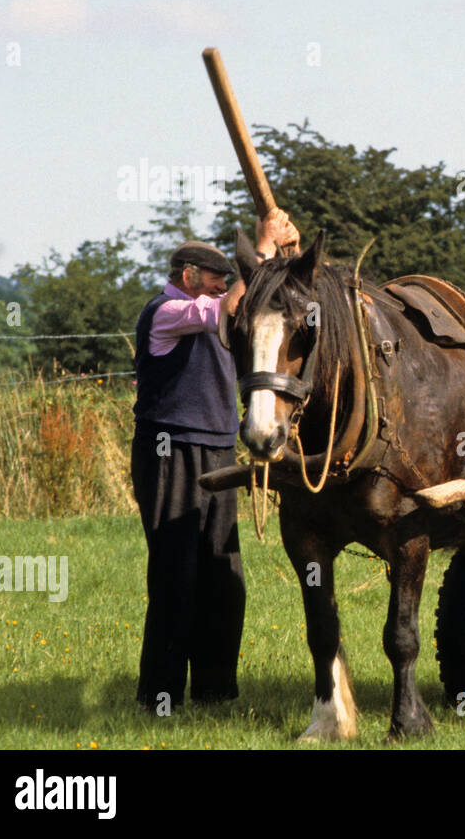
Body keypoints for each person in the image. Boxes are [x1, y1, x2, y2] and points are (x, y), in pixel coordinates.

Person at [132, 212, 298, 713]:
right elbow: (228, 305)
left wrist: (284, 255)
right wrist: (263, 249)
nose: (222, 286)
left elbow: (256, 309)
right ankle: (160, 694)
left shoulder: (220, 312)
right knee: (175, 572)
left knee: (224, 575)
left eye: (226, 278)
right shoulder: (166, 311)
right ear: (187, 277)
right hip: (170, 449)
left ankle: (214, 691)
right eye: (214, 277)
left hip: (218, 447)